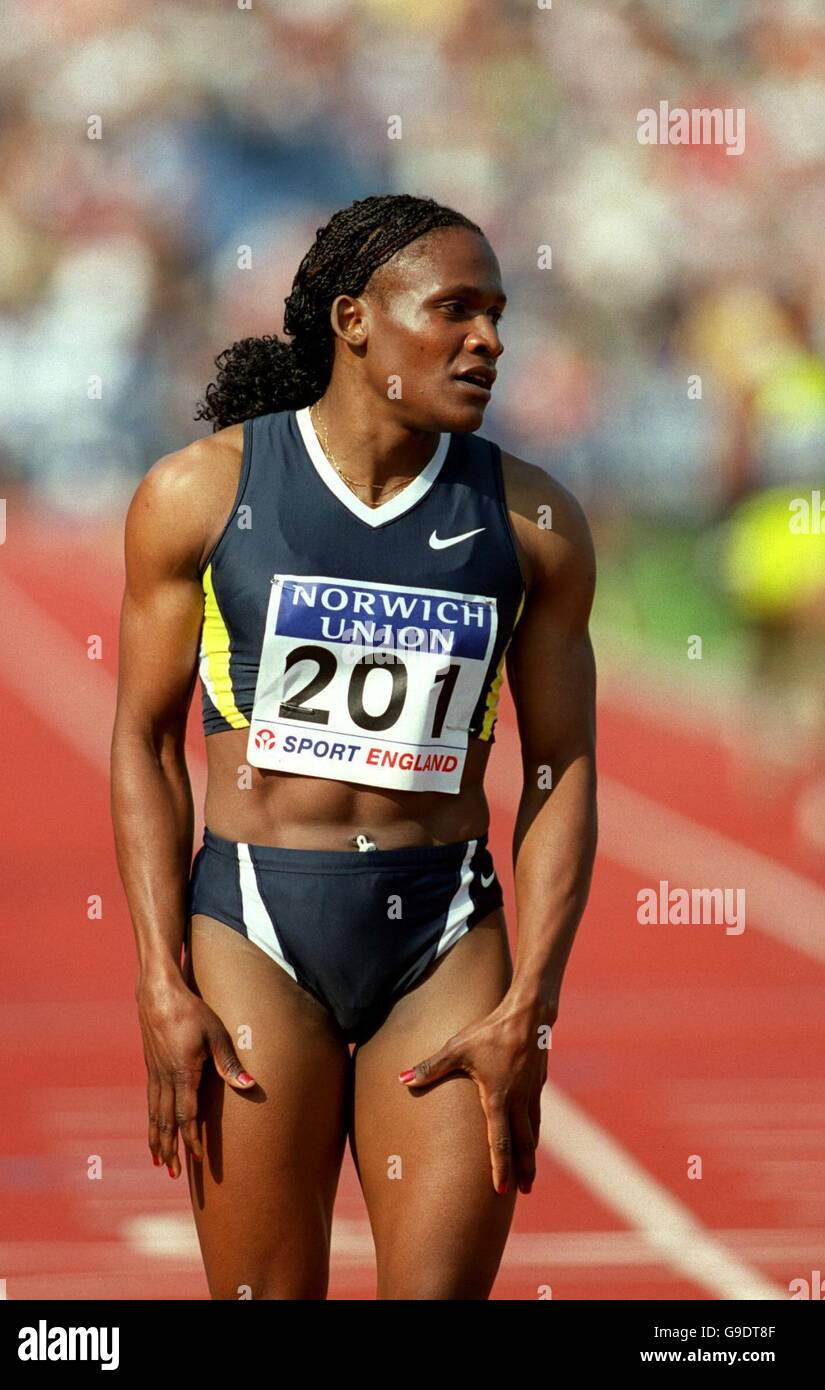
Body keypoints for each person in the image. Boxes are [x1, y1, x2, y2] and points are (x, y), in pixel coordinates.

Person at [110, 193, 597, 1301]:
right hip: (254, 927)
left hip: (443, 935)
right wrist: (158, 978)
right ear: (354, 320)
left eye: (498, 315)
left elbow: (558, 766)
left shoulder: (535, 524)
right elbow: (142, 739)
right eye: (456, 310)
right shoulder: (200, 493)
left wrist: (531, 1003)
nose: (489, 341)